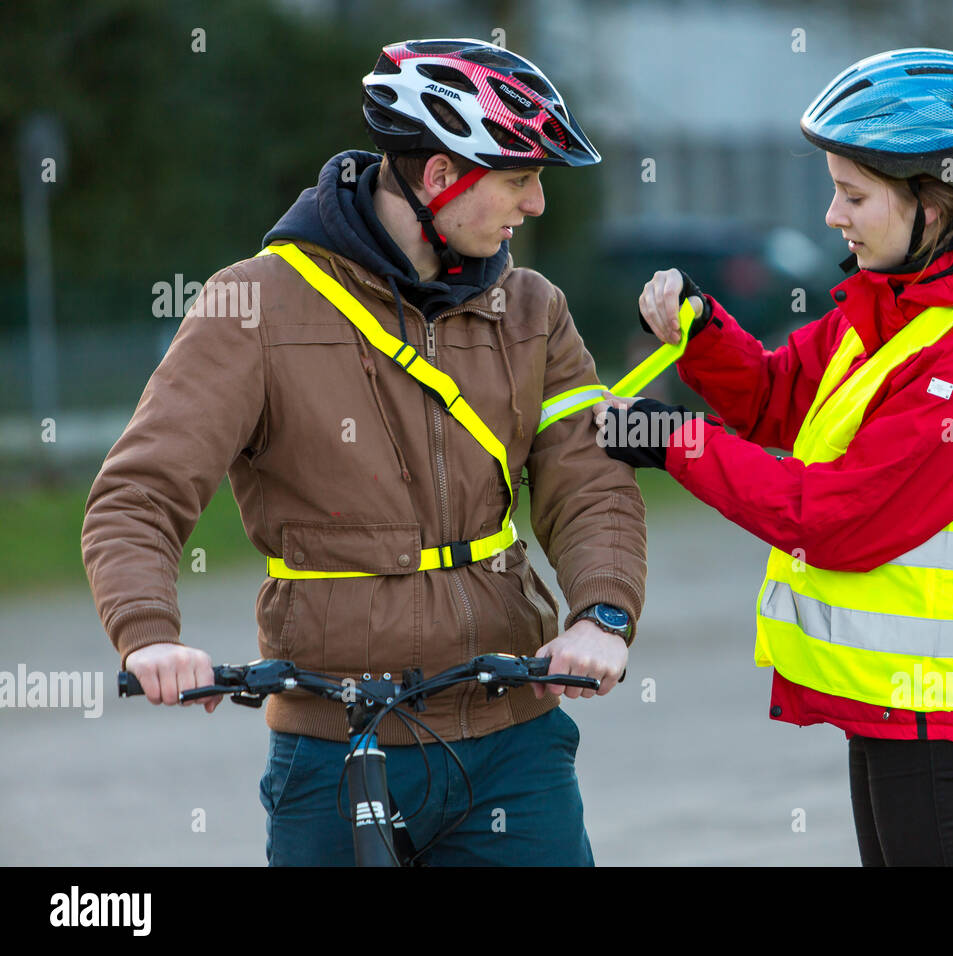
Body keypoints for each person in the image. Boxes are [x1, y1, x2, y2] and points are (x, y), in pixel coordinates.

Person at [82, 38, 647, 866]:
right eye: (520, 178)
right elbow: (139, 494)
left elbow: (589, 481)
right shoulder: (255, 305)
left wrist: (601, 612)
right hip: (331, 749)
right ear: (440, 175)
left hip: (512, 746)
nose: (535, 204)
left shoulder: (533, 308)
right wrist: (147, 634)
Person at [597, 47, 953, 866]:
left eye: (854, 194)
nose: (834, 215)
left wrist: (670, 440)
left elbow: (830, 519)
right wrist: (701, 330)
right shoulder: (892, 307)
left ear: (933, 204)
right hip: (900, 698)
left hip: (949, 709)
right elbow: (776, 400)